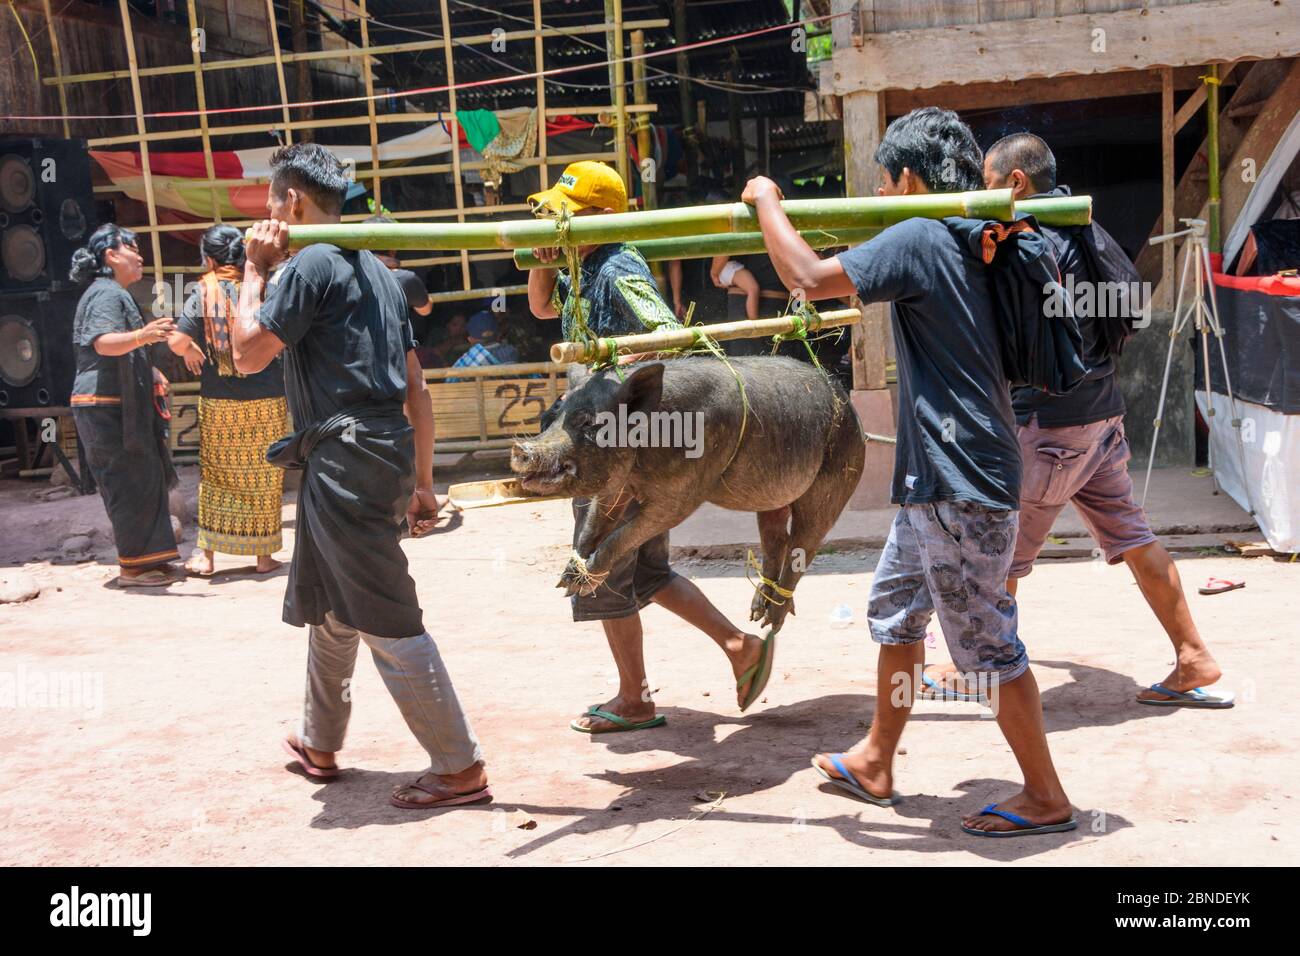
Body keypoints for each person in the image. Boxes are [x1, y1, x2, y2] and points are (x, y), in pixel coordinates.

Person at [743, 107, 1076, 837]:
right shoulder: (971, 239)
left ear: (907, 176)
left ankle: (1046, 795)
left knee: (986, 646)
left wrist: (766, 197)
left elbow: (805, 276)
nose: (881, 196)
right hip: (940, 480)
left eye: (883, 182)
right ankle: (876, 759)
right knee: (897, 612)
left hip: (959, 482)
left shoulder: (923, 236)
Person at [912, 132, 1228, 709]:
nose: (982, 196)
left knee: (997, 556)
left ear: (1014, 183)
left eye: (986, 184)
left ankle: (983, 673)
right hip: (1103, 422)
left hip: (1047, 433)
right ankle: (1194, 657)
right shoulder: (1087, 231)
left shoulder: (1031, 245)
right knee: (1134, 537)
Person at [230, 142, 488, 809]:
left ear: (290, 202)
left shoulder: (305, 265)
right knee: (331, 603)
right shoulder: (374, 268)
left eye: (269, 198)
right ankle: (320, 741)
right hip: (375, 451)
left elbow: (246, 354)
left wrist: (252, 270)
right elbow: (413, 384)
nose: (265, 212)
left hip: (347, 459)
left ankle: (459, 766)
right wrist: (423, 479)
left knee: (383, 611)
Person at [525, 160, 770, 733]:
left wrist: (613, 382)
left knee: (603, 568)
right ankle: (738, 646)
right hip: (610, 442)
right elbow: (542, 309)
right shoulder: (582, 268)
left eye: (566, 220)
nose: (556, 230)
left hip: (612, 447)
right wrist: (543, 263)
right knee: (645, 571)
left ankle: (634, 699)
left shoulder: (615, 266)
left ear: (598, 220)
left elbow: (665, 334)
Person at [167, 225, 288, 577]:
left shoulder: (205, 290)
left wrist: (191, 349)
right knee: (265, 478)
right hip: (268, 396)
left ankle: (206, 557)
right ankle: (264, 558)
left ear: (208, 259)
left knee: (218, 479)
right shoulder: (266, 287)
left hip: (220, 402)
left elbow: (176, 341)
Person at [68, 224, 180, 587]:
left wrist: (152, 370)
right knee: (128, 483)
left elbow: (123, 350)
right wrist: (143, 336)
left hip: (118, 405)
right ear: (111, 255)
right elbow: (103, 343)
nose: (140, 254)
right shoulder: (104, 294)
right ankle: (133, 568)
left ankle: (151, 561)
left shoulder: (114, 293)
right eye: (131, 246)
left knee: (144, 477)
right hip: (104, 407)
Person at [363, 213, 434, 343]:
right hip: (392, 350)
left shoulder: (347, 274)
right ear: (393, 247)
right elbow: (425, 310)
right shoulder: (405, 279)